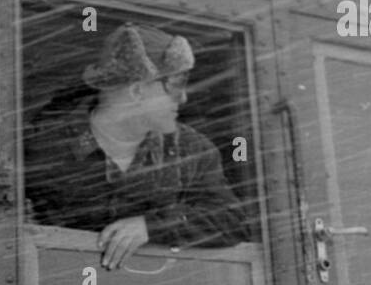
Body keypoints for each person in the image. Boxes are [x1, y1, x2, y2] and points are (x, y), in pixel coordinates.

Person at [23, 22, 249, 270]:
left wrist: (153, 226)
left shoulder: (192, 150)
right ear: (138, 90)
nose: (183, 98)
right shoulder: (44, 143)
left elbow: (231, 220)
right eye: (175, 86)